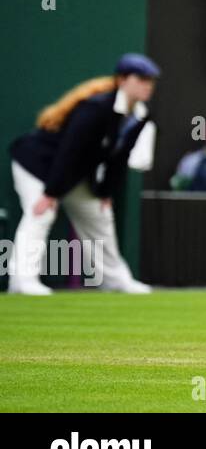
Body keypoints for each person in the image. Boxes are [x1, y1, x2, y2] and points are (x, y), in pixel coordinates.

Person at [7, 54, 158, 294]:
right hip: (38, 165)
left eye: (150, 80)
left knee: (100, 217)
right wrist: (50, 193)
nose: (147, 84)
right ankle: (22, 281)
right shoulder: (95, 108)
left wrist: (106, 192)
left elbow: (118, 158)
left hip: (74, 173)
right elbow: (70, 151)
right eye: (140, 78)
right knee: (41, 214)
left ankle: (116, 280)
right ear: (121, 80)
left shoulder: (139, 115)